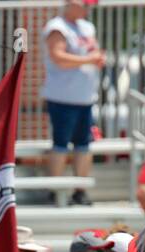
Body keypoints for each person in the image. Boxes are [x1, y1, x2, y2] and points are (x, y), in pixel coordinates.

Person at [41, 0, 104, 206]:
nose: (87, 8)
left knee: (84, 145)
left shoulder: (86, 26)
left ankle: (80, 191)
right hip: (63, 96)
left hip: (85, 96)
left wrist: (97, 58)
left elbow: (92, 51)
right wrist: (89, 60)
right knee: (61, 144)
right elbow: (57, 56)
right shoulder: (57, 27)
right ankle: (55, 190)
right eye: (83, 4)